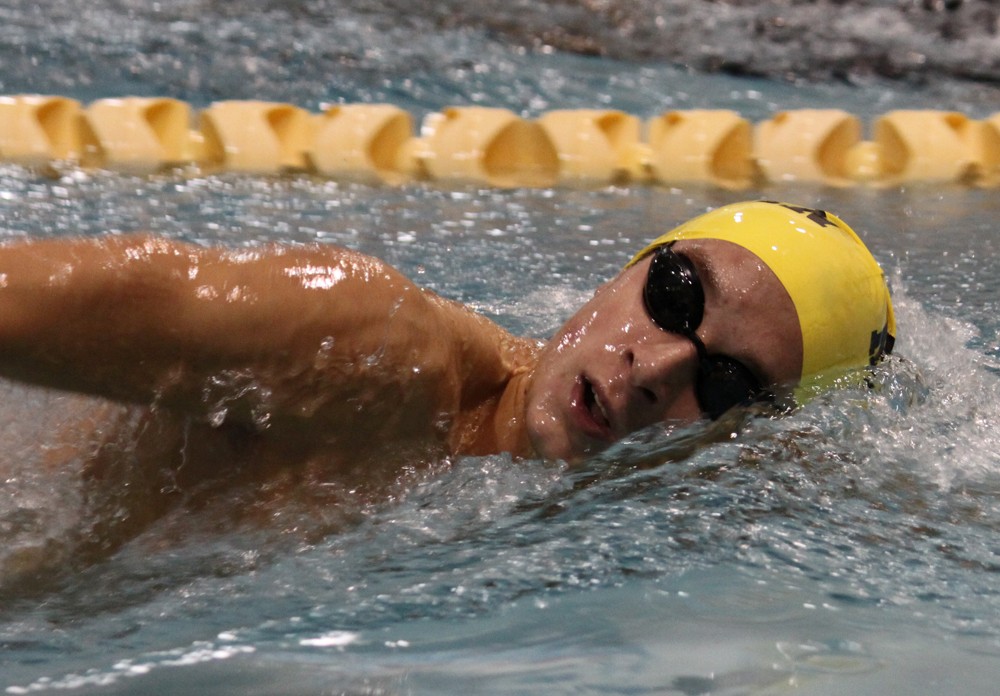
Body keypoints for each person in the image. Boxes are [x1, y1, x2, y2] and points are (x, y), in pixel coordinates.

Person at [0, 201, 894, 572]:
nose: (657, 369)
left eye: (728, 384)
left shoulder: (548, 525)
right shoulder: (364, 344)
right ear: (625, 271)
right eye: (675, 296)